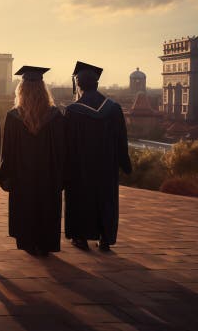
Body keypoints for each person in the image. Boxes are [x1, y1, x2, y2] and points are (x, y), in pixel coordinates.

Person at [64, 61, 132, 252]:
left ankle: (80, 238)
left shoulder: (73, 111)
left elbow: (67, 145)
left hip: (80, 167)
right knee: (106, 199)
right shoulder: (113, 108)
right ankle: (105, 239)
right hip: (106, 165)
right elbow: (121, 139)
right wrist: (124, 163)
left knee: (81, 199)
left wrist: (63, 168)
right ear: (97, 83)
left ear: (78, 84)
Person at [0, 66, 65, 256]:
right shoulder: (55, 116)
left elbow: (8, 151)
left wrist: (5, 175)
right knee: (47, 206)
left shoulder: (14, 117)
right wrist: (60, 174)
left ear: (21, 89)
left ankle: (28, 241)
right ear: (43, 89)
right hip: (48, 175)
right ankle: (45, 242)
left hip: (22, 175)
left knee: (25, 206)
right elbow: (61, 150)